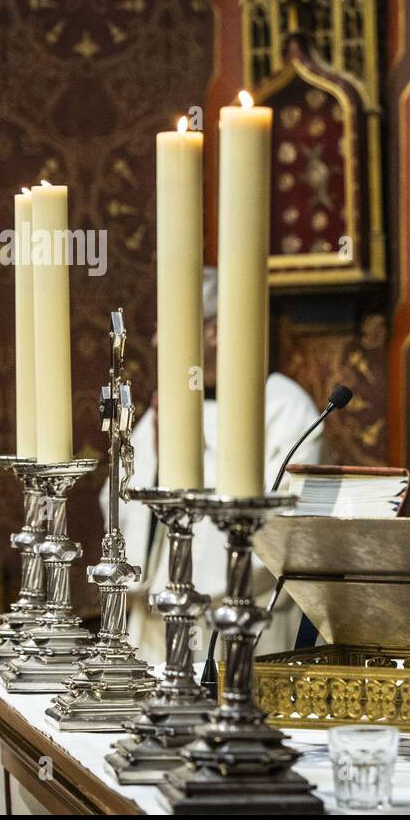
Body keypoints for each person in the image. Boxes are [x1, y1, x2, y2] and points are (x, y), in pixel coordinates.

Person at [103, 269, 325, 663]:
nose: (155, 340)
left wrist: (186, 463)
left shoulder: (283, 407)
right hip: (159, 621)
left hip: (243, 624)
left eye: (169, 326)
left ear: (216, 331)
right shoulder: (166, 406)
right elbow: (118, 504)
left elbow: (287, 529)